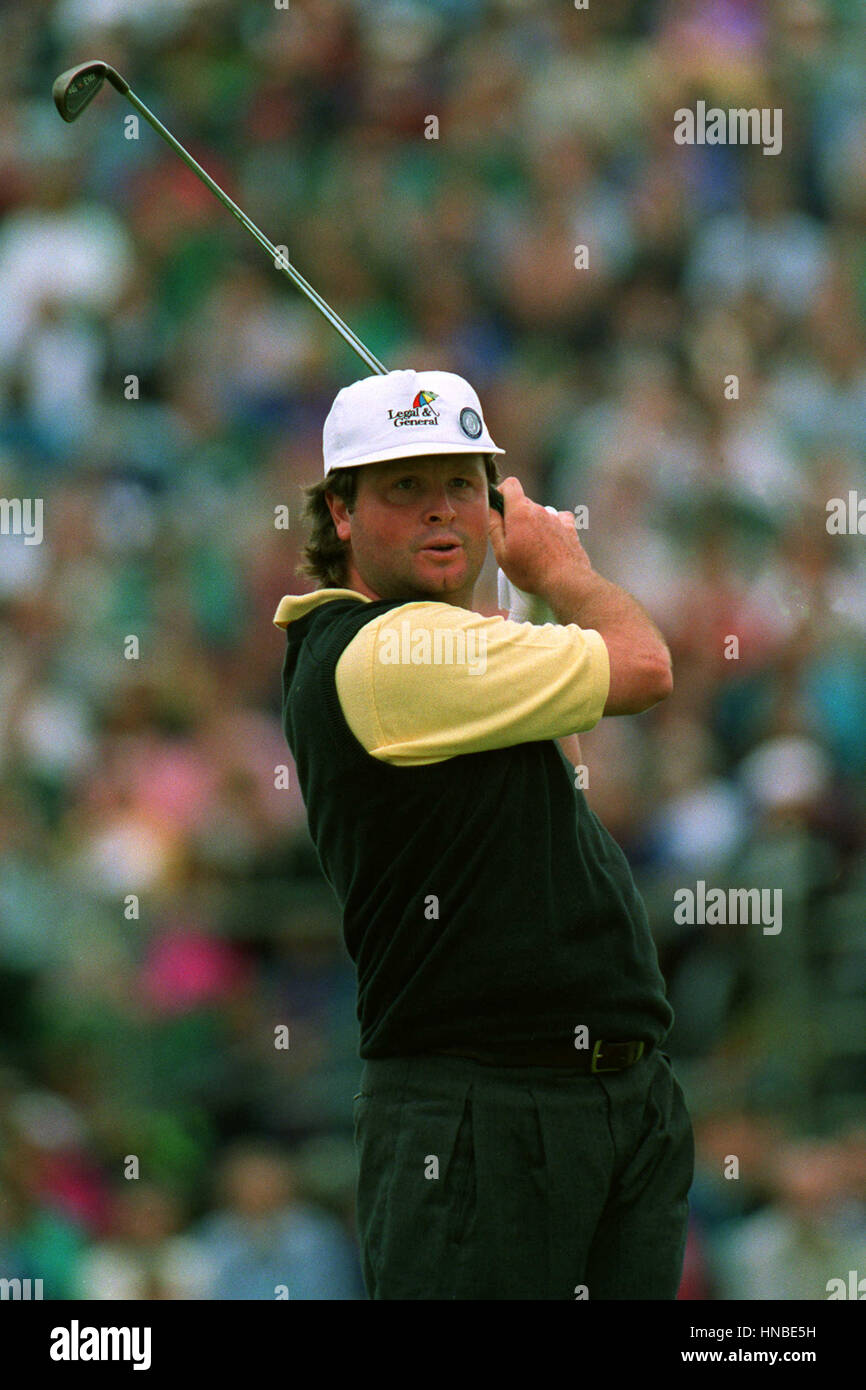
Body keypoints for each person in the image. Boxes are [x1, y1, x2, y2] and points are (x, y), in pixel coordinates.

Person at [273, 367, 694, 1299]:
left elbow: (565, 774)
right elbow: (646, 666)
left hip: (606, 1101)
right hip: (481, 1116)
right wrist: (561, 571)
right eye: (405, 488)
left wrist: (523, 596)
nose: (442, 512)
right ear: (340, 513)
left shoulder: (439, 647)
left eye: (462, 484)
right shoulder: (387, 647)